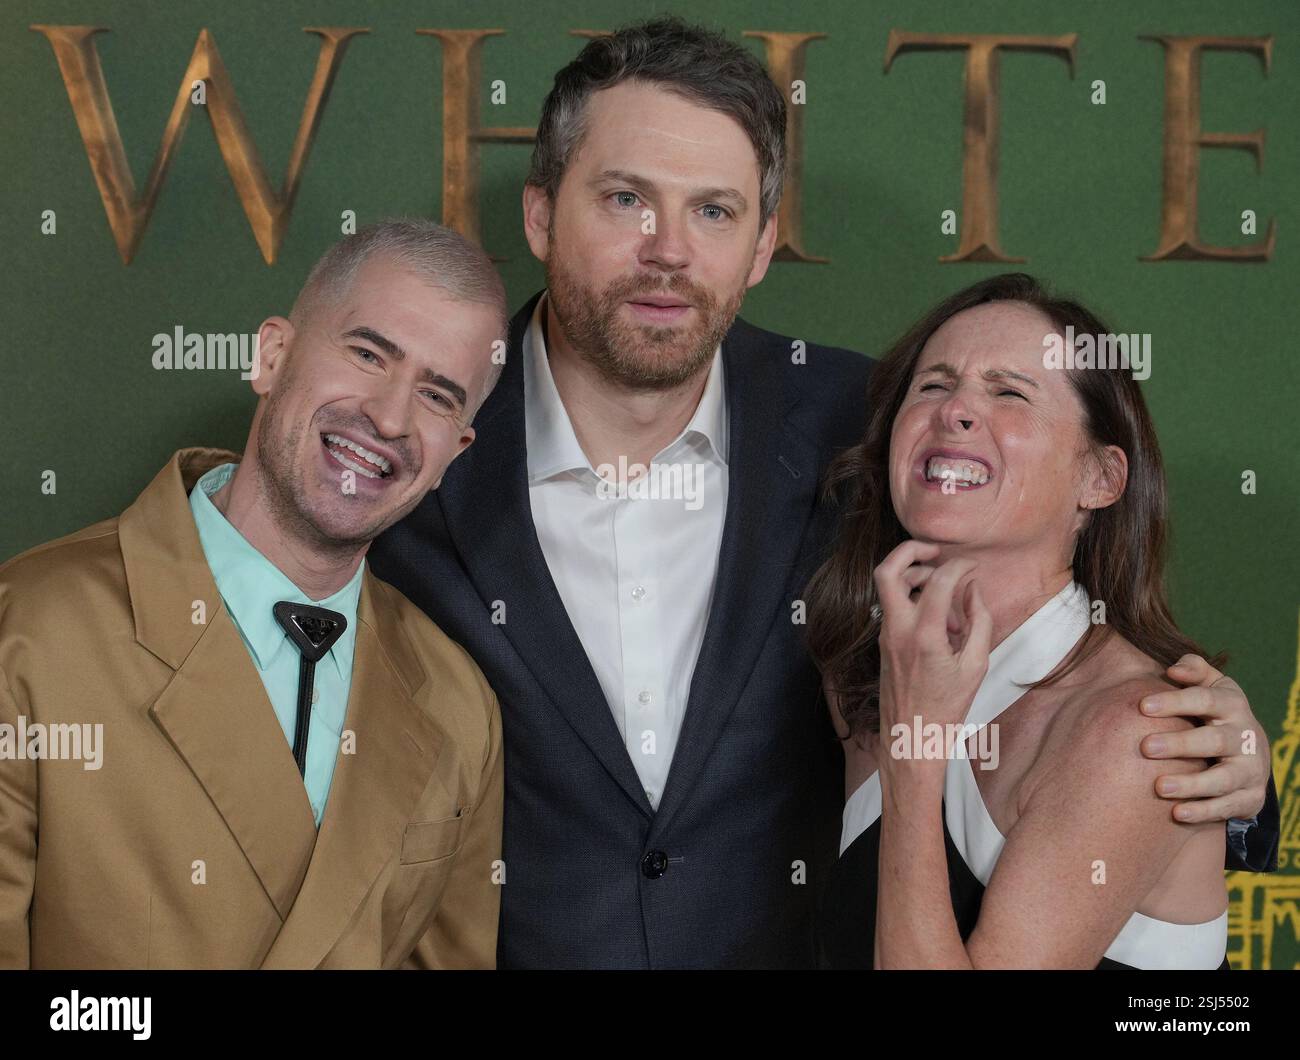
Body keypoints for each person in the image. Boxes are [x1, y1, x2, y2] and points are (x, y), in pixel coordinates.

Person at [370, 19, 1278, 969]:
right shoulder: (415, 442)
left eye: (714, 212)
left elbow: (1093, 690)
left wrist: (1234, 778)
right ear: (542, 216)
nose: (669, 251)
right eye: (628, 198)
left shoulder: (872, 432)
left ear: (762, 245)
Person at [0, 220, 508, 968]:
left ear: (453, 454)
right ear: (271, 355)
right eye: (368, 354)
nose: (390, 418)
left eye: (437, 396)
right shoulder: (33, 631)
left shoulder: (458, 705)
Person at [809, 273, 1274, 968]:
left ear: (1100, 479)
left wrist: (916, 748)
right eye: (933, 385)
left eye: (1009, 392)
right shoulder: (859, 672)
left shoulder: (1141, 730)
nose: (956, 410)